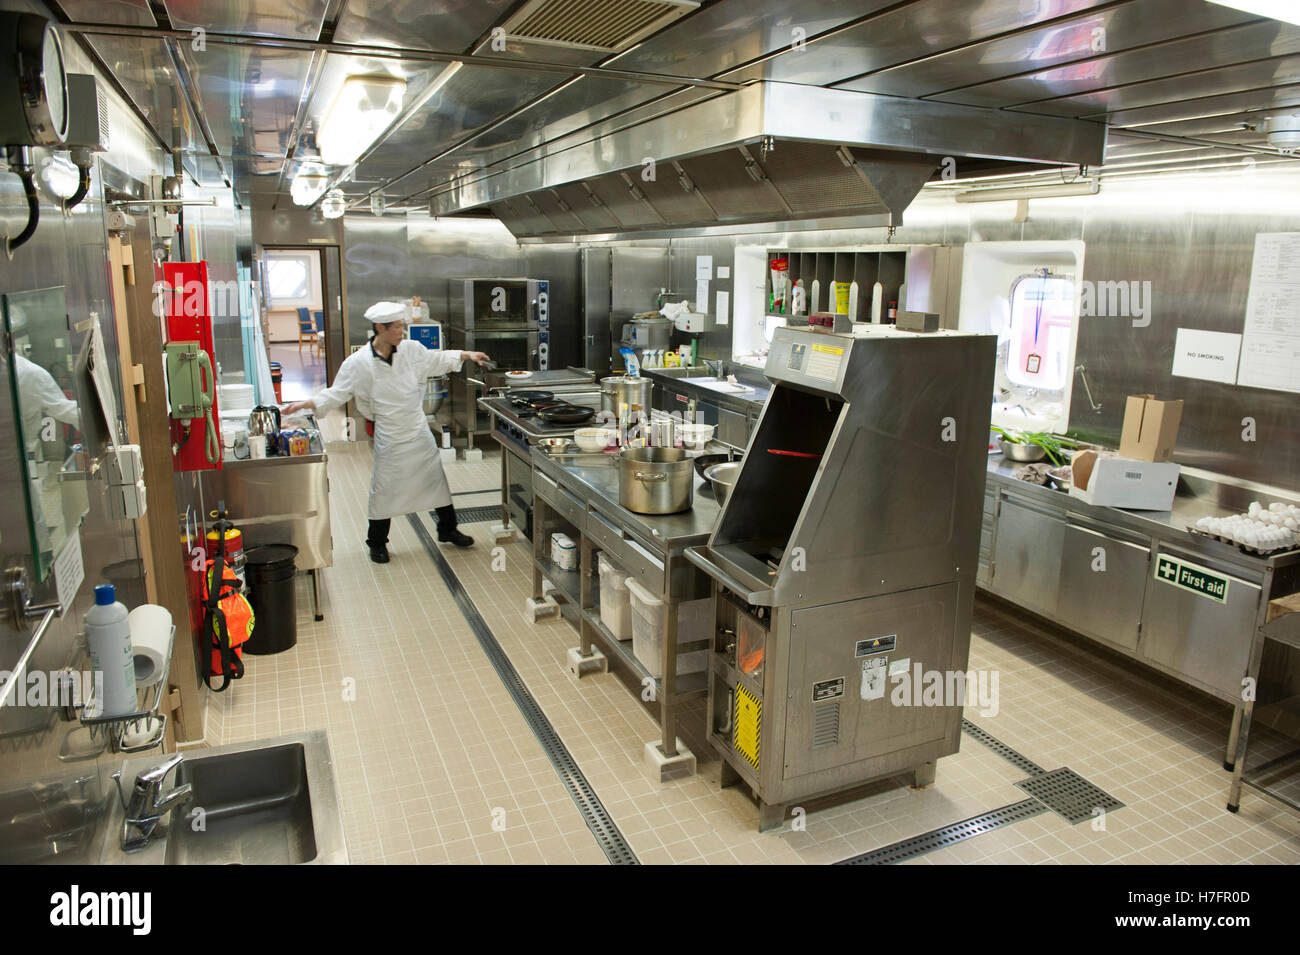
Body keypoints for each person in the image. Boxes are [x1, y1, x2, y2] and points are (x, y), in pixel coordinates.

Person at [282, 301, 491, 563]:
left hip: (417, 429)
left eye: (402, 326)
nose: (402, 332)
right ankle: (377, 542)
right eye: (397, 327)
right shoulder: (358, 363)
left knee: (436, 480)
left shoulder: (411, 350)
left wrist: (466, 355)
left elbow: (436, 358)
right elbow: (337, 393)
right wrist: (308, 403)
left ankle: (448, 530)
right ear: (380, 328)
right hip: (390, 435)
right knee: (384, 490)